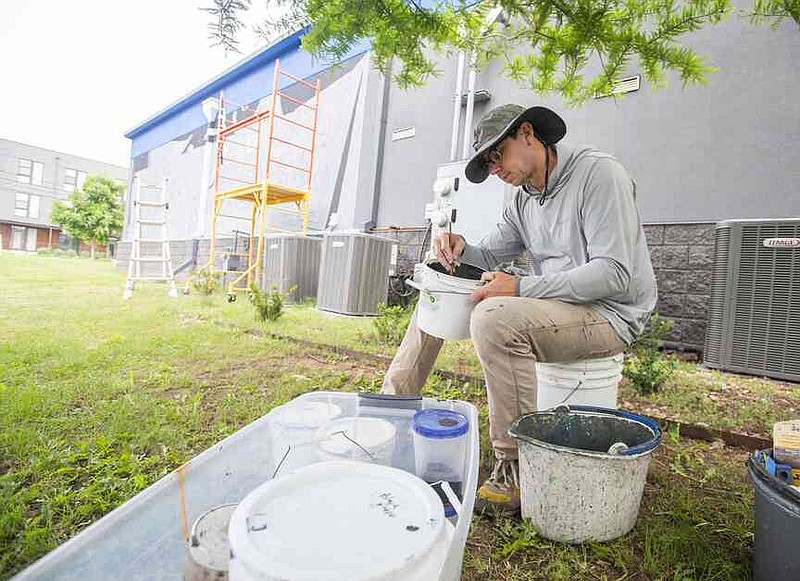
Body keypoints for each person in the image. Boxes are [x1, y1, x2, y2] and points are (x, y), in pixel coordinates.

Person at [382, 103, 658, 511]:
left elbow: (615, 274)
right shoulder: (524, 199)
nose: (494, 169)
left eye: (497, 154)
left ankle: (513, 468)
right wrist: (460, 248)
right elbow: (489, 255)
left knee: (494, 316)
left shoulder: (599, 174)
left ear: (527, 134)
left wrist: (521, 287)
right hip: (559, 308)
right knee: (437, 285)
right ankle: (390, 410)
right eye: (486, 163)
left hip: (610, 313)